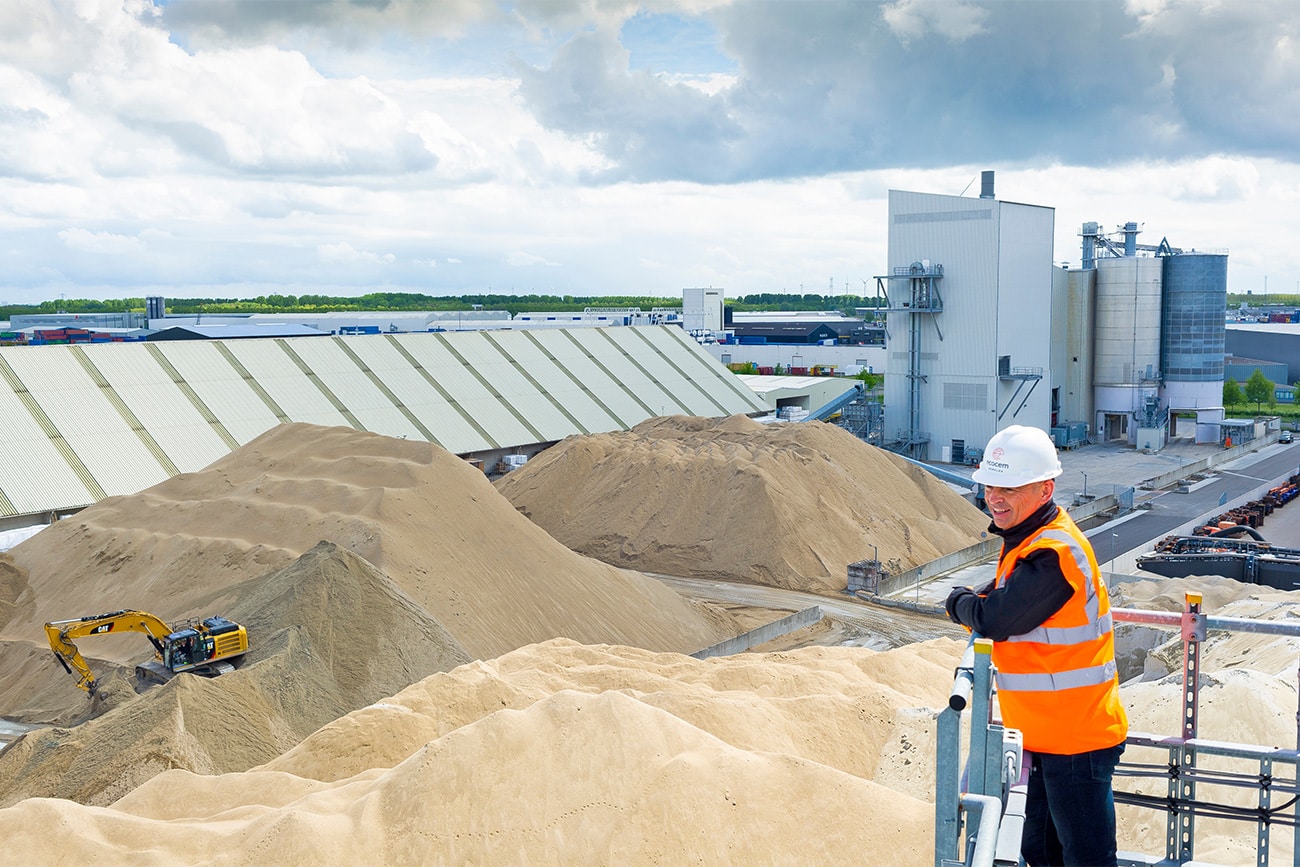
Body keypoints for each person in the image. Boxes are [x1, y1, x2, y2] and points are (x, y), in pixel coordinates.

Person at [945, 424, 1128, 867]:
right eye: (990, 485)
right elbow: (1007, 595)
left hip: (1076, 739)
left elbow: (996, 618)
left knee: (1085, 858)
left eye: (1010, 487)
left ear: (1045, 489)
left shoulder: (1053, 554)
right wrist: (983, 599)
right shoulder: (1031, 542)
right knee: (1041, 852)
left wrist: (957, 602)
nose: (995, 497)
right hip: (1051, 735)